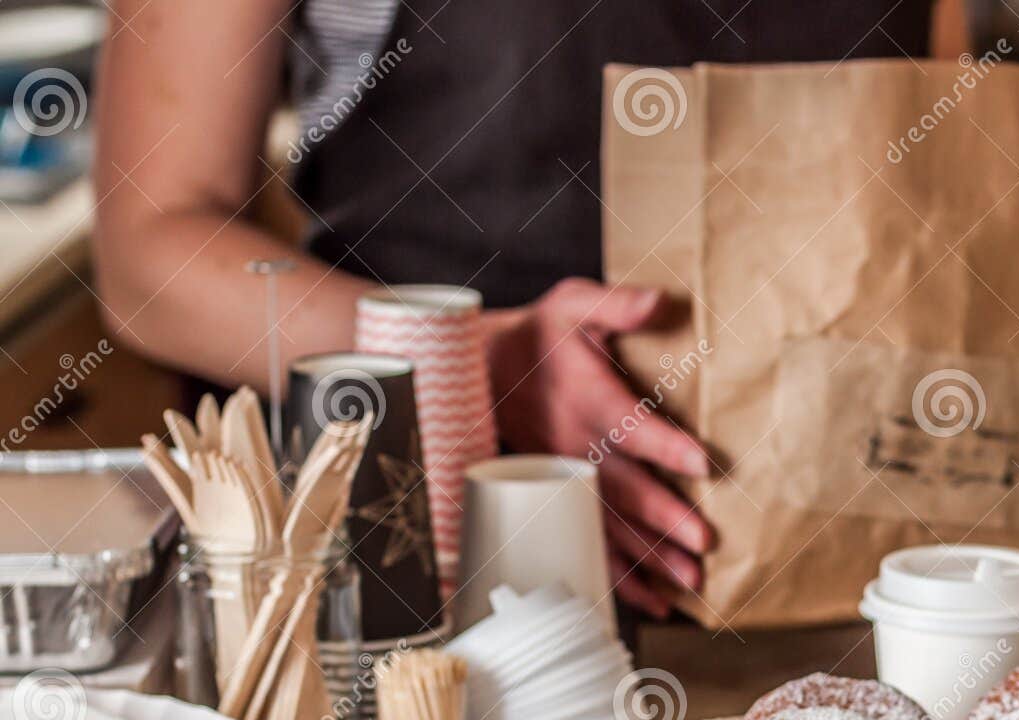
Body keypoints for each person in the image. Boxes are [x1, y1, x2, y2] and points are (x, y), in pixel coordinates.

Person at [94, 0, 972, 616]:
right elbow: (150, 250)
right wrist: (478, 363)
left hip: (858, 577)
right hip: (432, 601)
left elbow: (936, 163)